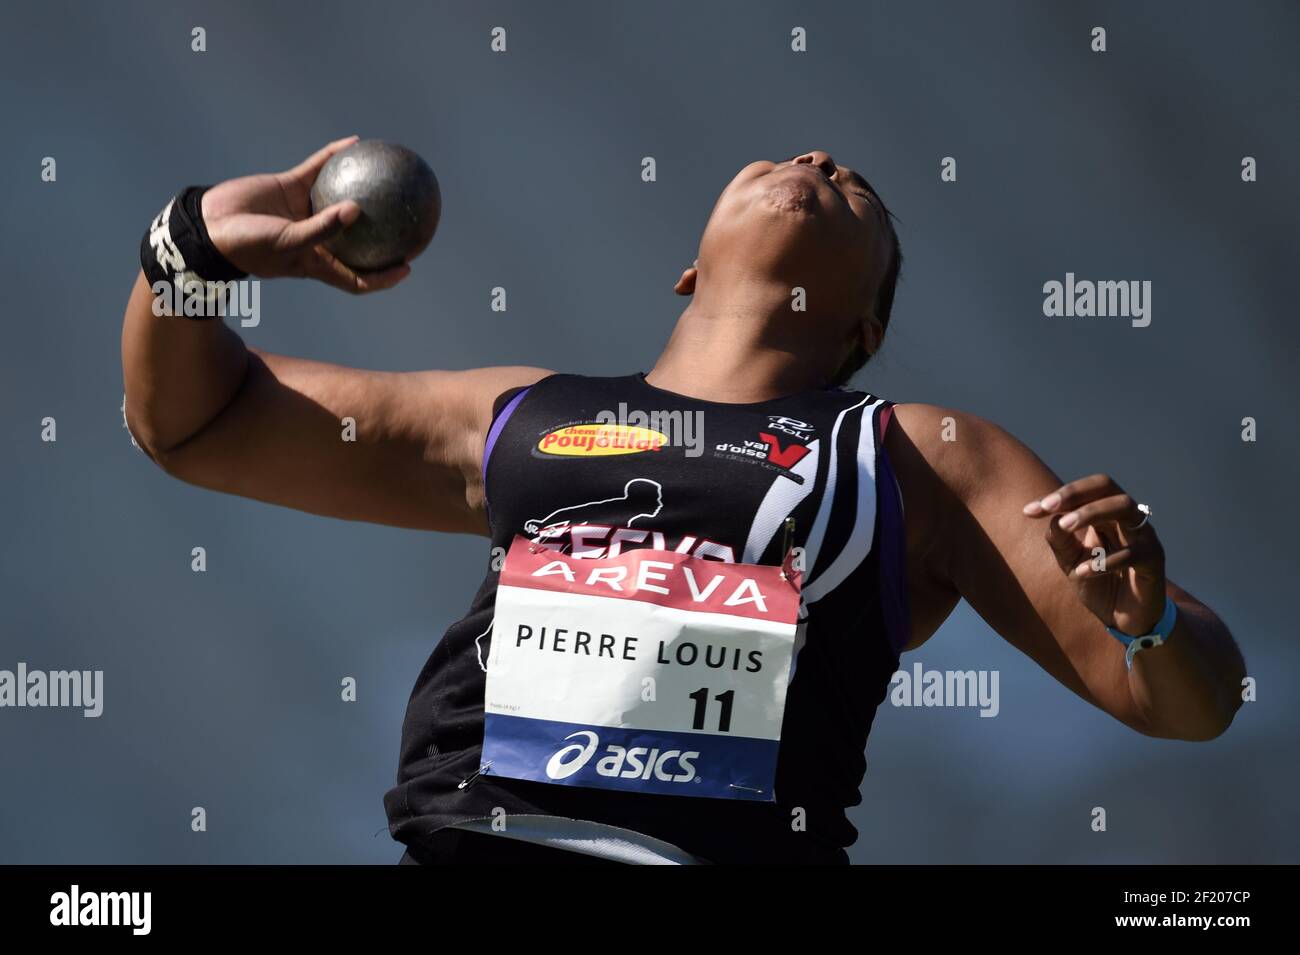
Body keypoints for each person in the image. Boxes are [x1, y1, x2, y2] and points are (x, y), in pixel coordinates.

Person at [122, 139, 1245, 865]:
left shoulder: (919, 455)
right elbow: (201, 424)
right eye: (793, 154)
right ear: (688, 272)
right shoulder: (522, 411)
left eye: (860, 189)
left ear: (864, 330)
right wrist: (192, 251)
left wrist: (1140, 619)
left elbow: (1190, 702)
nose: (818, 157)